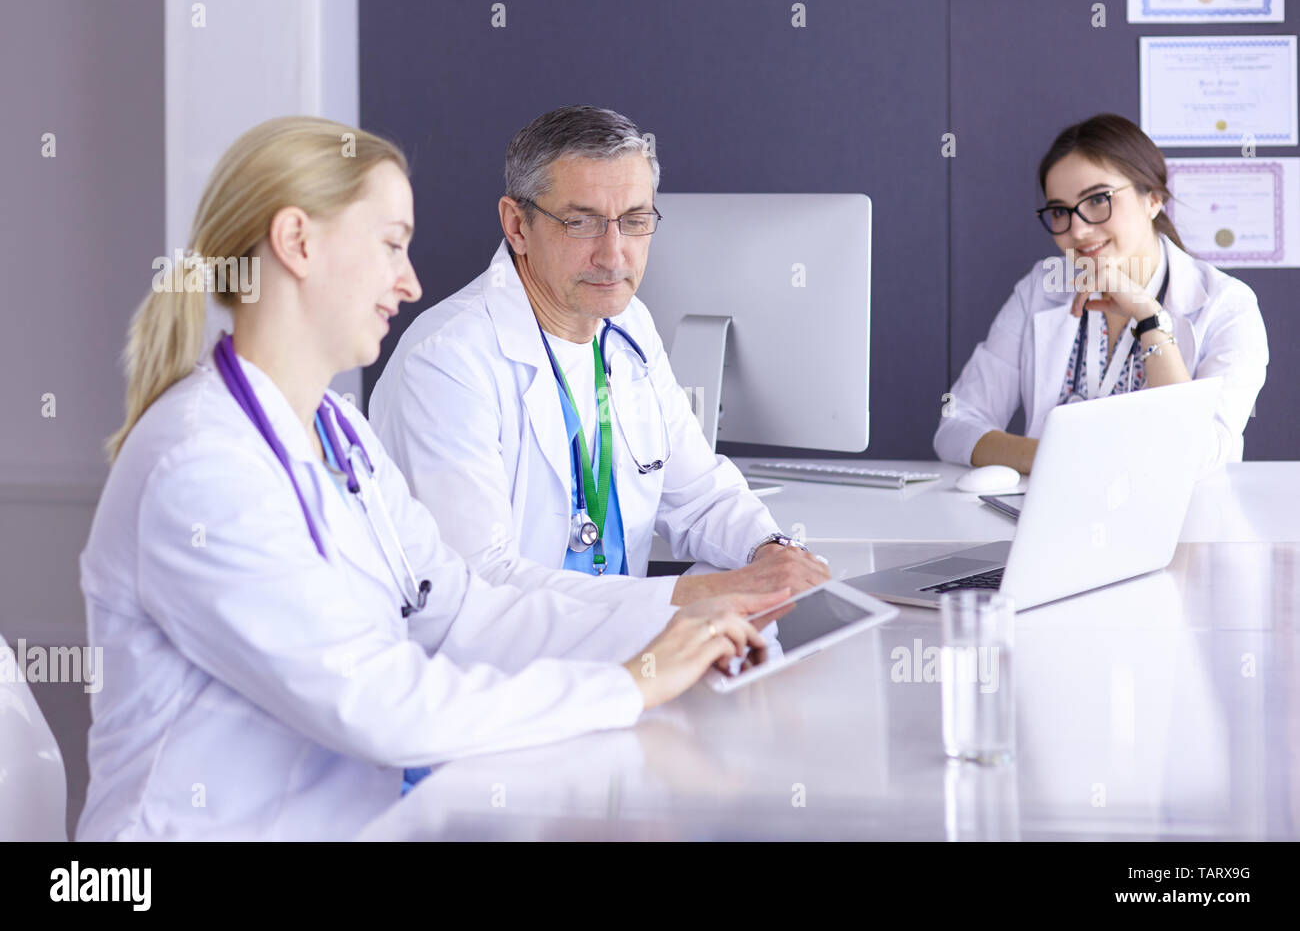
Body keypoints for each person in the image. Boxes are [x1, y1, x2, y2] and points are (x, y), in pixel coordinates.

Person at [77, 116, 777, 841]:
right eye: (390, 245)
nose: (409, 283)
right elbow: (378, 704)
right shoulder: (202, 465)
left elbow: (462, 609)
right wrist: (630, 682)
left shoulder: (339, 435)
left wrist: (676, 629)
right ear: (296, 243)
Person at [369, 105, 828, 609]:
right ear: (517, 225)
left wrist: (771, 552)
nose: (613, 256)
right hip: (506, 667)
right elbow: (477, 583)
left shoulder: (629, 328)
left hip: (620, 650)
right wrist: (699, 595)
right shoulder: (446, 362)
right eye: (581, 223)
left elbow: (699, 494)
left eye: (634, 221)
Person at [934, 113, 1268, 474]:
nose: (1076, 230)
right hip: (1052, 514)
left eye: (1097, 200)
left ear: (1153, 199)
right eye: (1060, 211)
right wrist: (1058, 459)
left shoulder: (1228, 306)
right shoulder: (1041, 288)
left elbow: (1199, 456)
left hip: (1179, 524)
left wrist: (1148, 317)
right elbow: (956, 426)